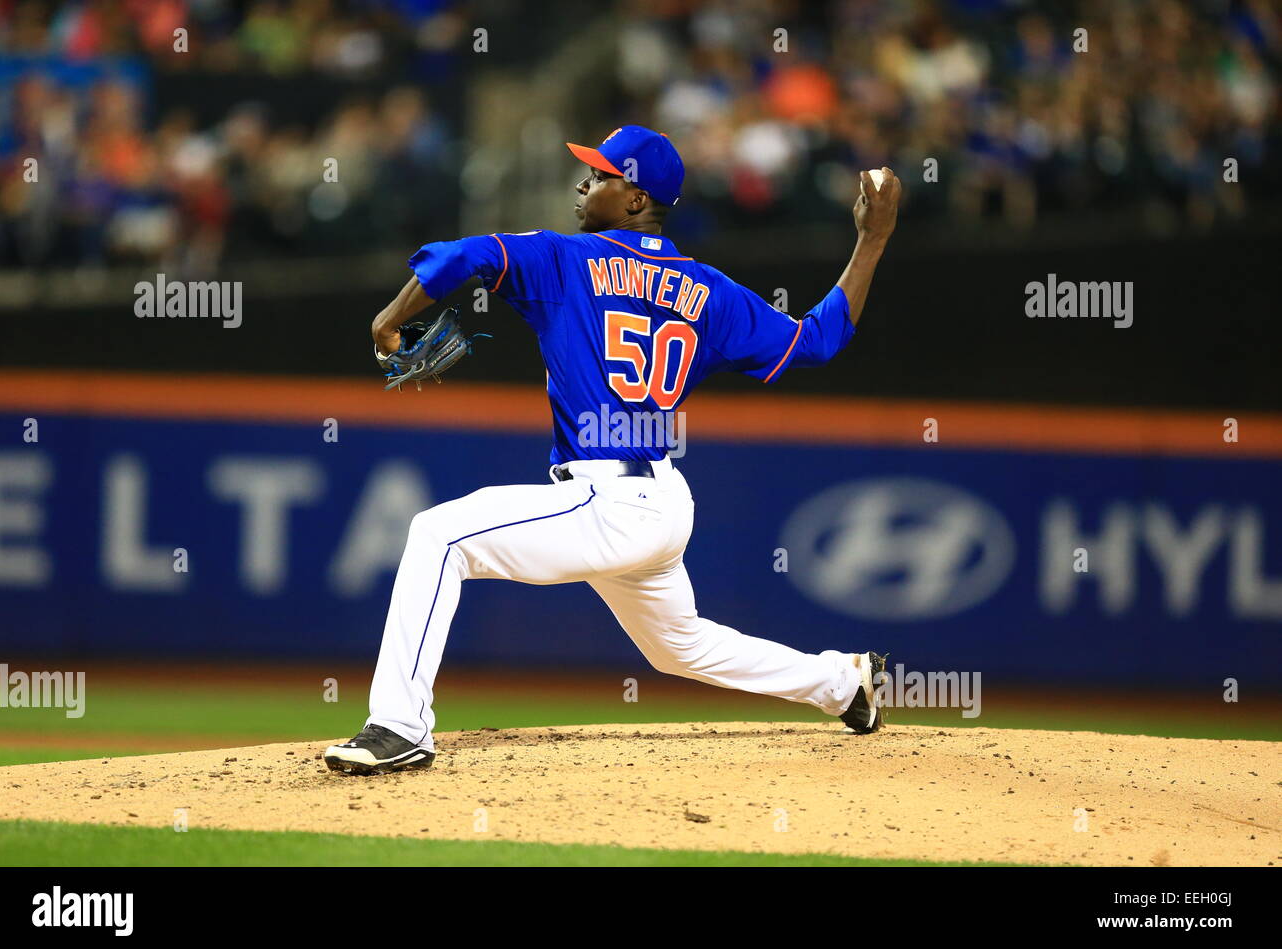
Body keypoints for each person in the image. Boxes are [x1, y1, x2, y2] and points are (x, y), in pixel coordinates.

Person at [325, 126, 902, 774]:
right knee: (678, 648)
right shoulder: (709, 290)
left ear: (635, 199)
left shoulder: (565, 260)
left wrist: (393, 317)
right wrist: (872, 239)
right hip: (662, 501)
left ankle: (399, 727)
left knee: (440, 535)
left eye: (600, 175)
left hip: (611, 500)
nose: (583, 183)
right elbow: (816, 342)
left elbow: (464, 256)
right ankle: (844, 684)